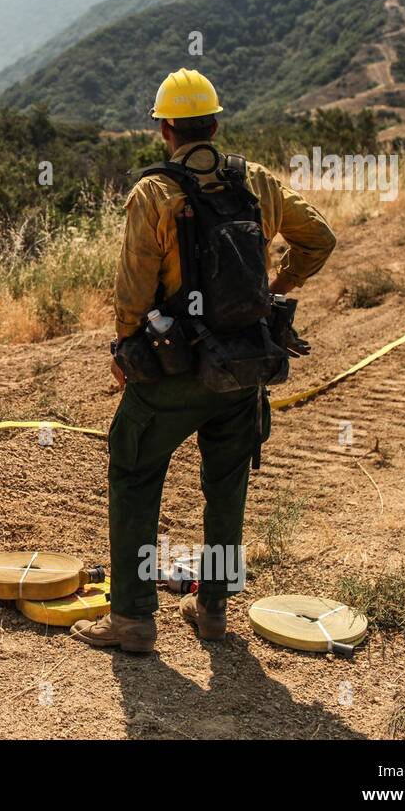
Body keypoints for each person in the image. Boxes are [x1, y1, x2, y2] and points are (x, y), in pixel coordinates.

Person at [72, 69, 337, 651]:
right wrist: (276, 283)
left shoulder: (153, 193)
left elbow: (132, 294)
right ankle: (212, 608)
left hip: (173, 370)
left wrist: (124, 351)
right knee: (227, 484)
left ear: (166, 130)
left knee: (136, 475)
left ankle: (134, 619)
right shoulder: (257, 181)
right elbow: (319, 237)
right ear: (214, 125)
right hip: (243, 366)